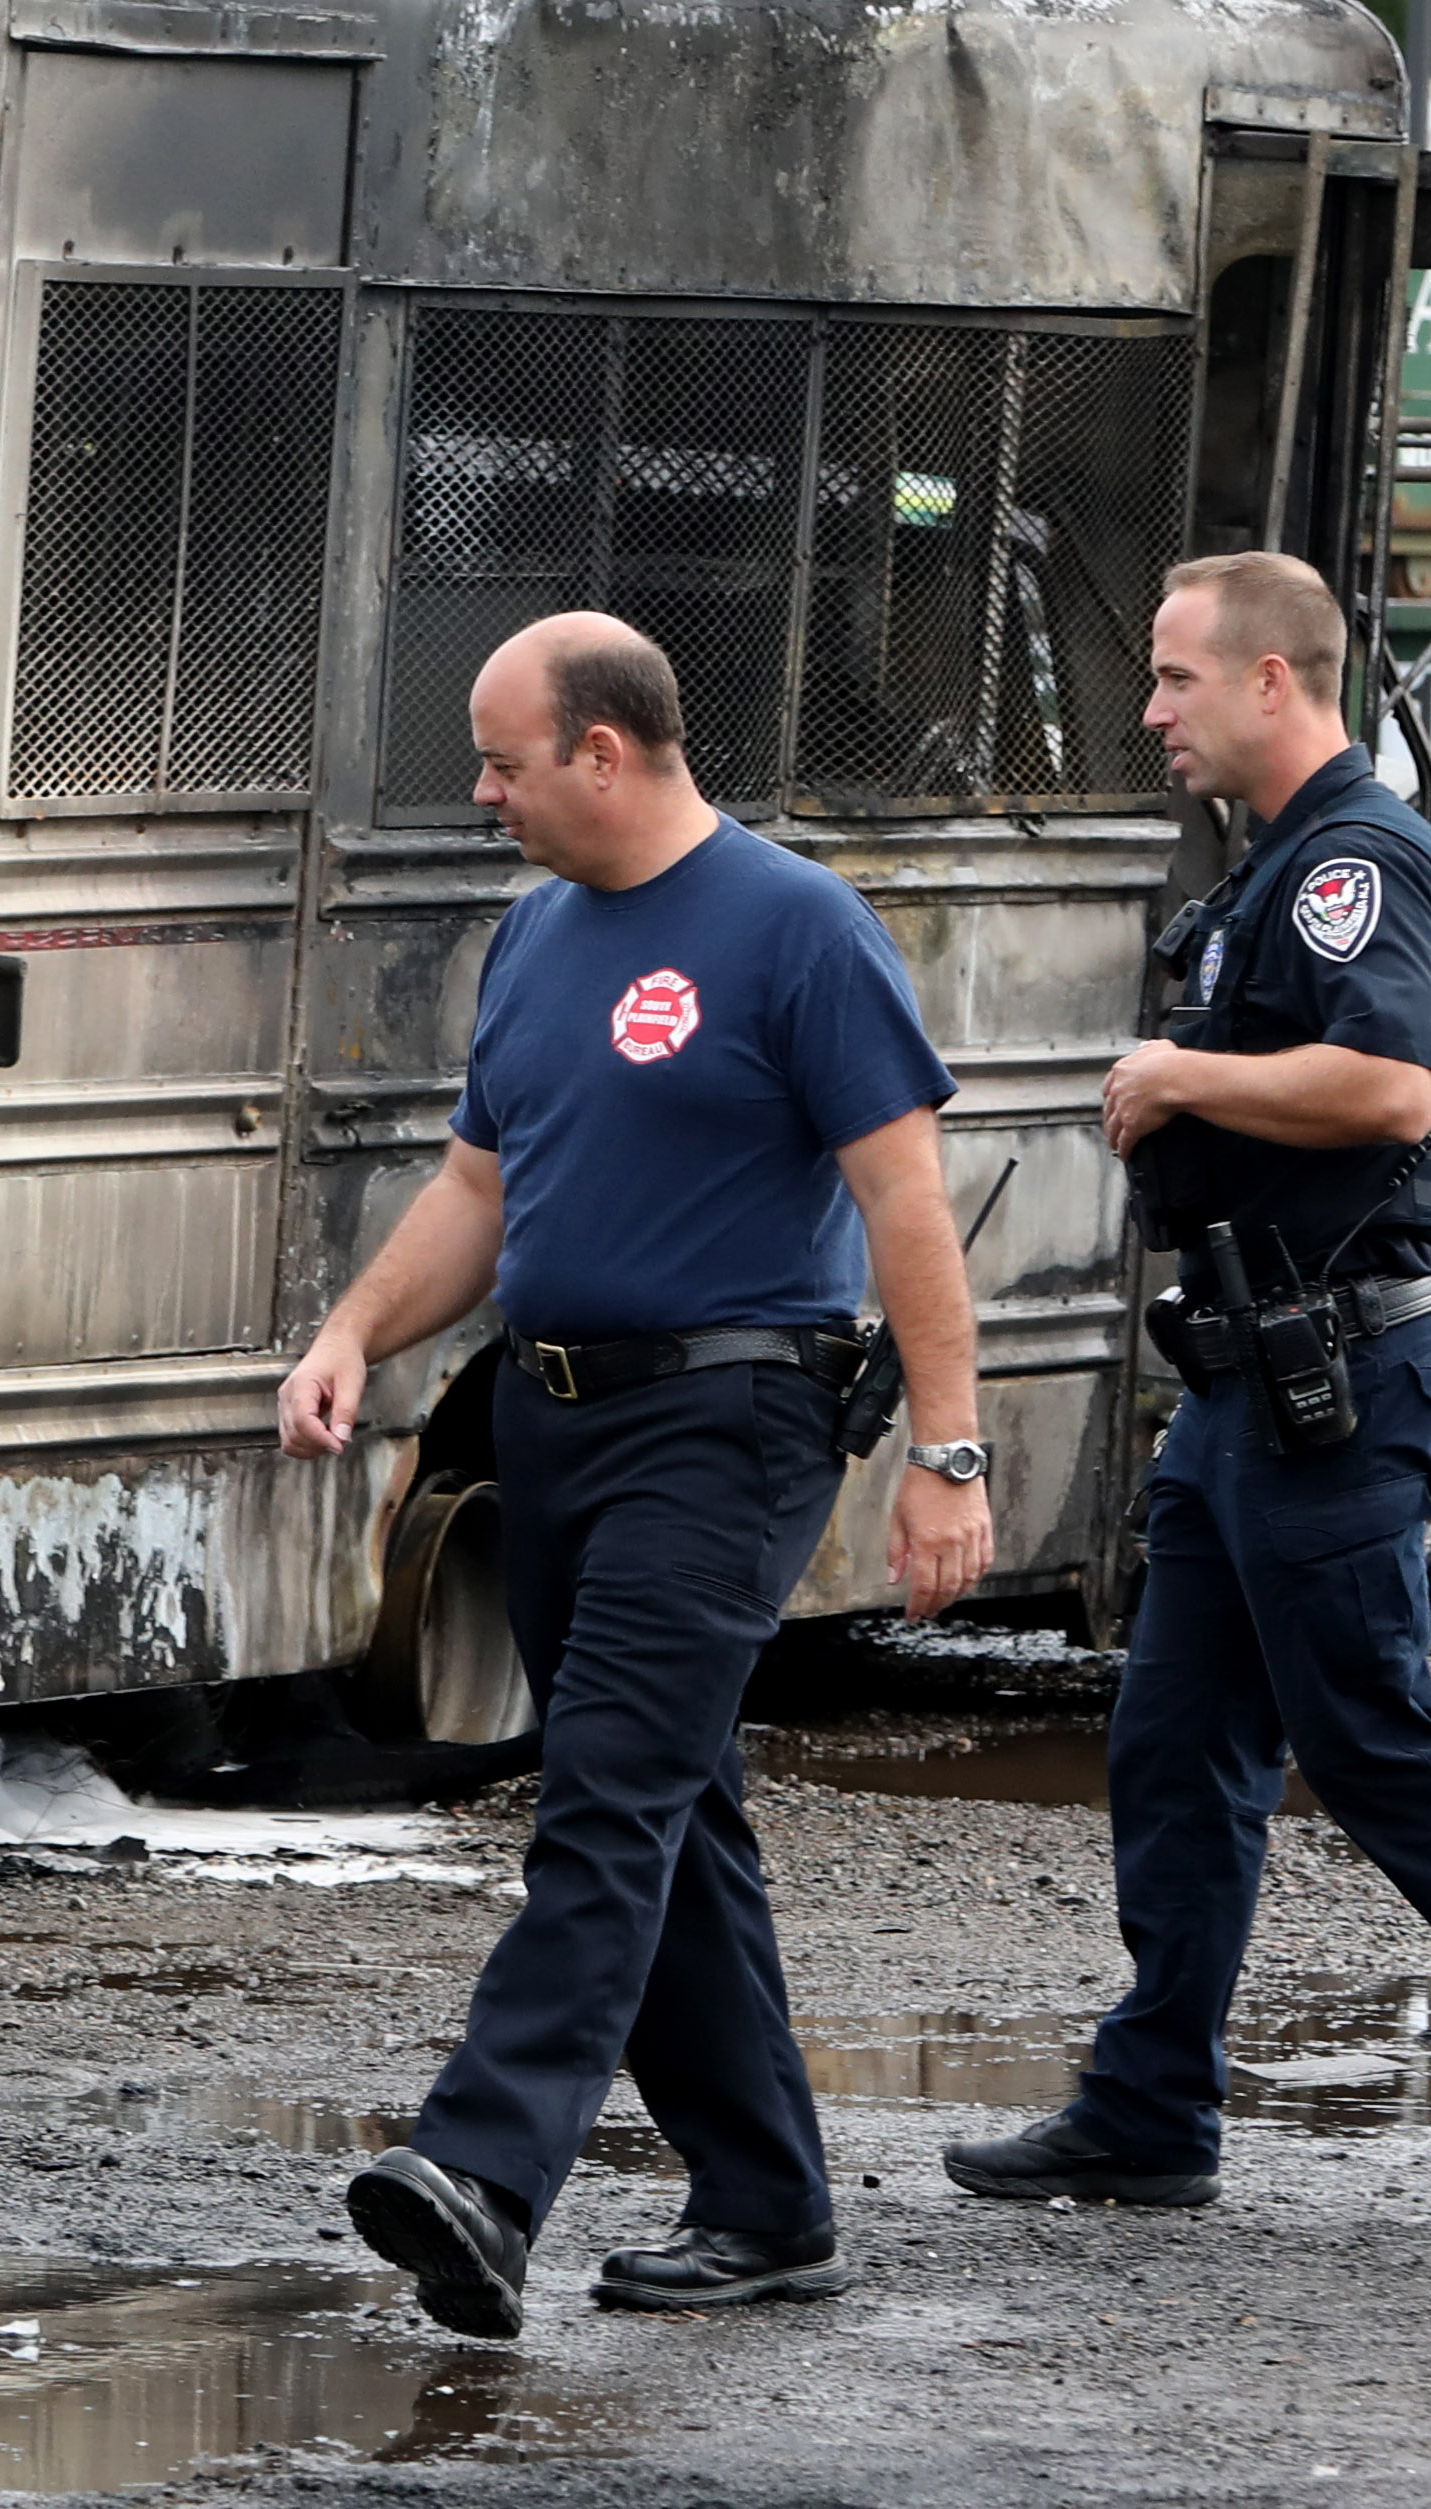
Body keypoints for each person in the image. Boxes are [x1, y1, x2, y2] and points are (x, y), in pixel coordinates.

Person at [946, 551, 1431, 2226]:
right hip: (1250, 1379)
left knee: (1371, 1736)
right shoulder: (1282, 864)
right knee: (1177, 1744)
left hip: (1338, 1376)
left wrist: (1180, 1073)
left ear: (1272, 679)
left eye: (1175, 678)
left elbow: (1392, 1085)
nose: (1151, 710)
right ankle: (1150, 2107)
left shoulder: (1358, 863)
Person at [277, 612, 993, 2338]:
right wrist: (356, 1330)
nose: (482, 792)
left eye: (502, 761)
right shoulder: (536, 936)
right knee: (672, 1807)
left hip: (726, 1420)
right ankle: (767, 2203)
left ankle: (484, 2168)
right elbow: (479, 1190)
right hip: (555, 1417)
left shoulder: (798, 927)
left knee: (605, 1797)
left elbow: (905, 1199)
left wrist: (948, 1452)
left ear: (602, 752)